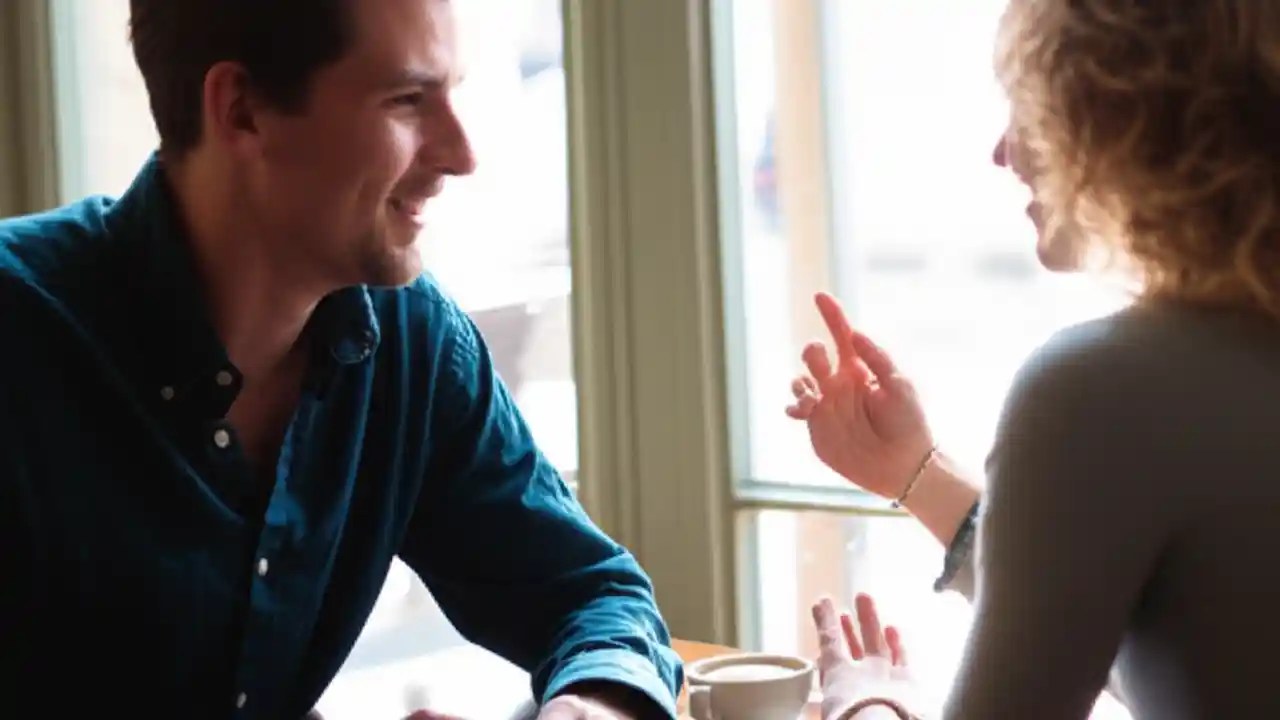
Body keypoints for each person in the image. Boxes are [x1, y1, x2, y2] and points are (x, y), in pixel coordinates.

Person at [0, 0, 681, 718]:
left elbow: (594, 597)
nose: (461, 153)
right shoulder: (21, 339)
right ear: (241, 110)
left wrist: (588, 708)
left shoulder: (409, 340)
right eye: (408, 100)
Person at [789, 1, 1280, 718]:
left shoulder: (1103, 388)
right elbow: (1195, 642)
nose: (1003, 151)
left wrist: (867, 703)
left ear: (1124, 116)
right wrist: (918, 475)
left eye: (1029, 106)